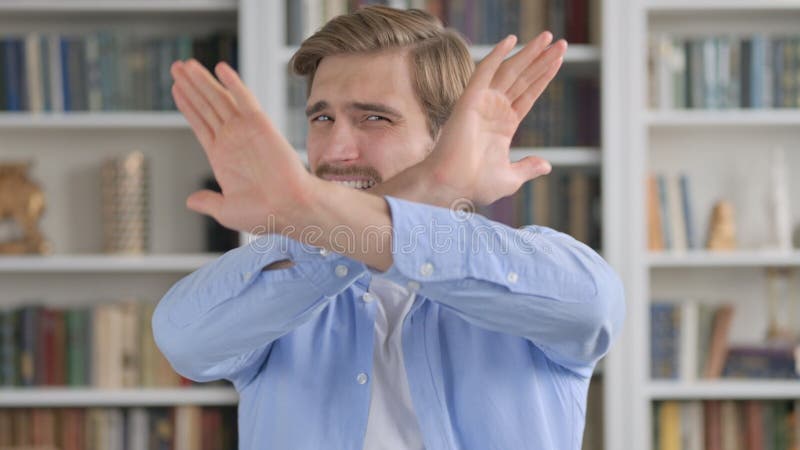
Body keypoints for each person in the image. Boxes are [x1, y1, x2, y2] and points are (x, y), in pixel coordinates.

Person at [152, 5, 625, 450]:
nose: (335, 150)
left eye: (374, 118)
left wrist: (319, 210)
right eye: (322, 117)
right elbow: (183, 341)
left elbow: (594, 308)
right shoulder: (282, 279)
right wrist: (429, 188)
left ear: (447, 135)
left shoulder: (533, 265)